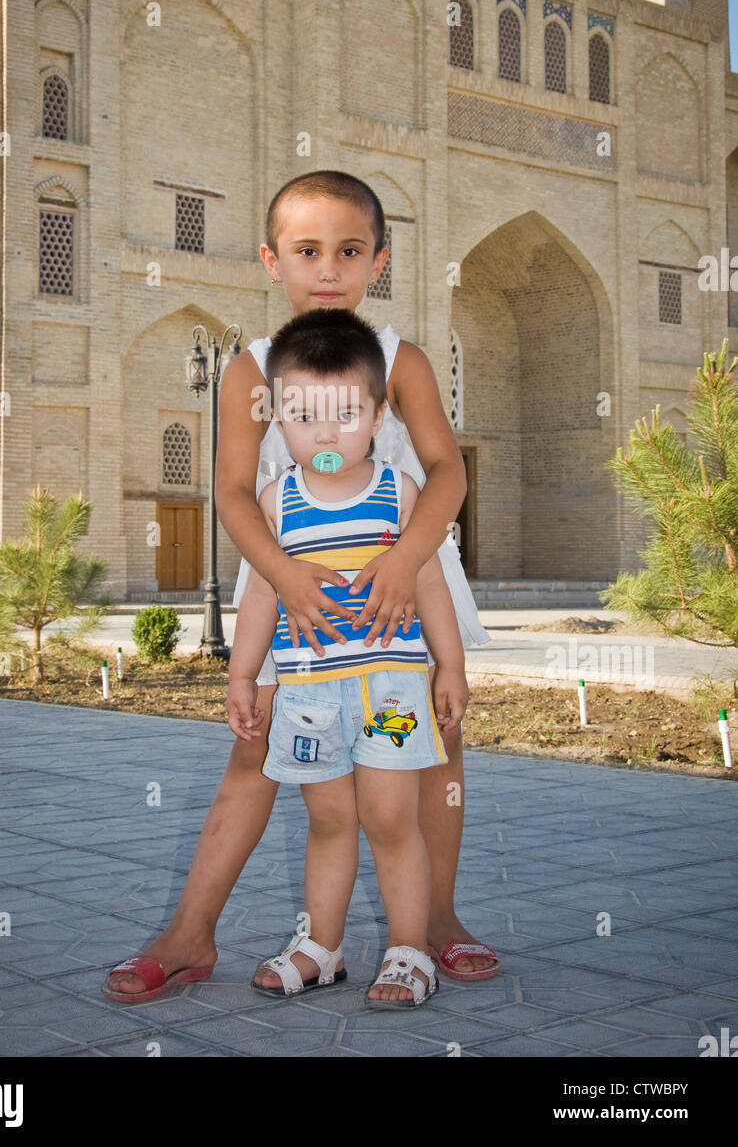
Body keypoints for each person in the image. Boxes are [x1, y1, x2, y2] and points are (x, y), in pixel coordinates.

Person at [102, 170, 499, 1003]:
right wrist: (281, 578)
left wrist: (402, 561)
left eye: (350, 250)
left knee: (435, 745)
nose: (329, 268)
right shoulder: (248, 370)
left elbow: (445, 473)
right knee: (258, 748)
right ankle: (189, 934)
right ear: (270, 260)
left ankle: (435, 922)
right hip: (295, 585)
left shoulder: (399, 360)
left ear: (378, 261)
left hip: (408, 574)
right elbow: (237, 494)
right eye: (307, 250)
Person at [226, 307, 469, 1006]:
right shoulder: (279, 502)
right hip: (307, 699)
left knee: (392, 819)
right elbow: (261, 600)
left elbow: (429, 585)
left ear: (379, 414)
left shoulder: (400, 494)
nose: (325, 434)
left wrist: (448, 667)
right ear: (277, 420)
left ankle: (407, 950)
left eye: (344, 415)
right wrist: (246, 675)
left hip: (390, 693)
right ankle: (322, 947)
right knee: (329, 819)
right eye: (304, 417)